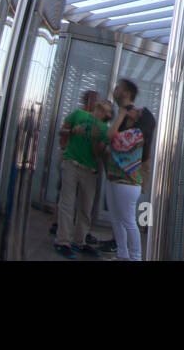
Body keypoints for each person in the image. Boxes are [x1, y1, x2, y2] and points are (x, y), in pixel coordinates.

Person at [53, 89, 107, 258]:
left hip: (90, 170)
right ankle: (62, 241)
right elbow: (61, 131)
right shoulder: (77, 114)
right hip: (72, 163)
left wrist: (97, 140)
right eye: (97, 101)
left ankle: (79, 242)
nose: (98, 104)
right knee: (67, 204)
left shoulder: (103, 127)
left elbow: (99, 154)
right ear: (90, 101)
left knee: (85, 207)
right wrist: (71, 132)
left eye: (101, 102)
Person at [101, 97, 146, 260]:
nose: (131, 109)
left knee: (128, 221)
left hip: (128, 183)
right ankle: (122, 254)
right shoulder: (122, 132)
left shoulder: (137, 134)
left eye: (135, 110)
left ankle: (135, 257)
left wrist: (120, 114)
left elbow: (109, 136)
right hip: (114, 180)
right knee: (116, 220)